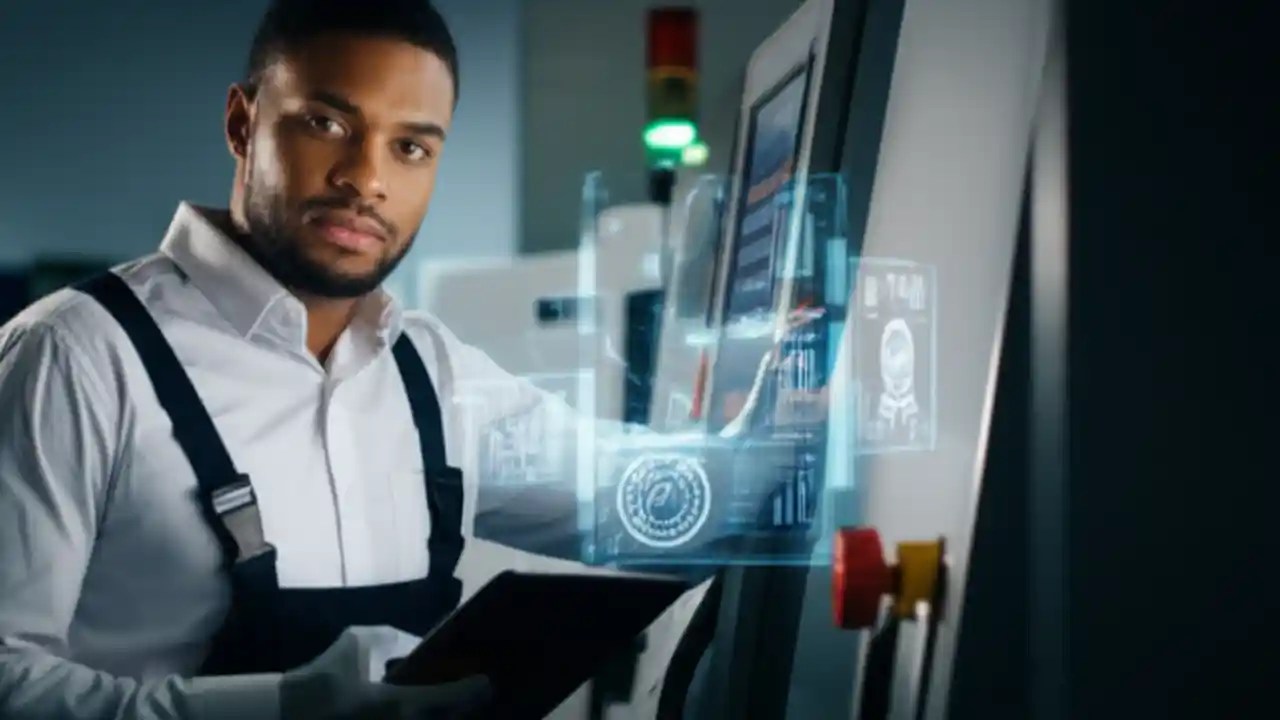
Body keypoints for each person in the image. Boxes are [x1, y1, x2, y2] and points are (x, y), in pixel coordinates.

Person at [0, 1, 598, 718]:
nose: (364, 178)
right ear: (241, 123)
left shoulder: (434, 374)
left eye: (410, 147)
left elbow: (653, 497)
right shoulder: (75, 357)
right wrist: (280, 708)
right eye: (328, 124)